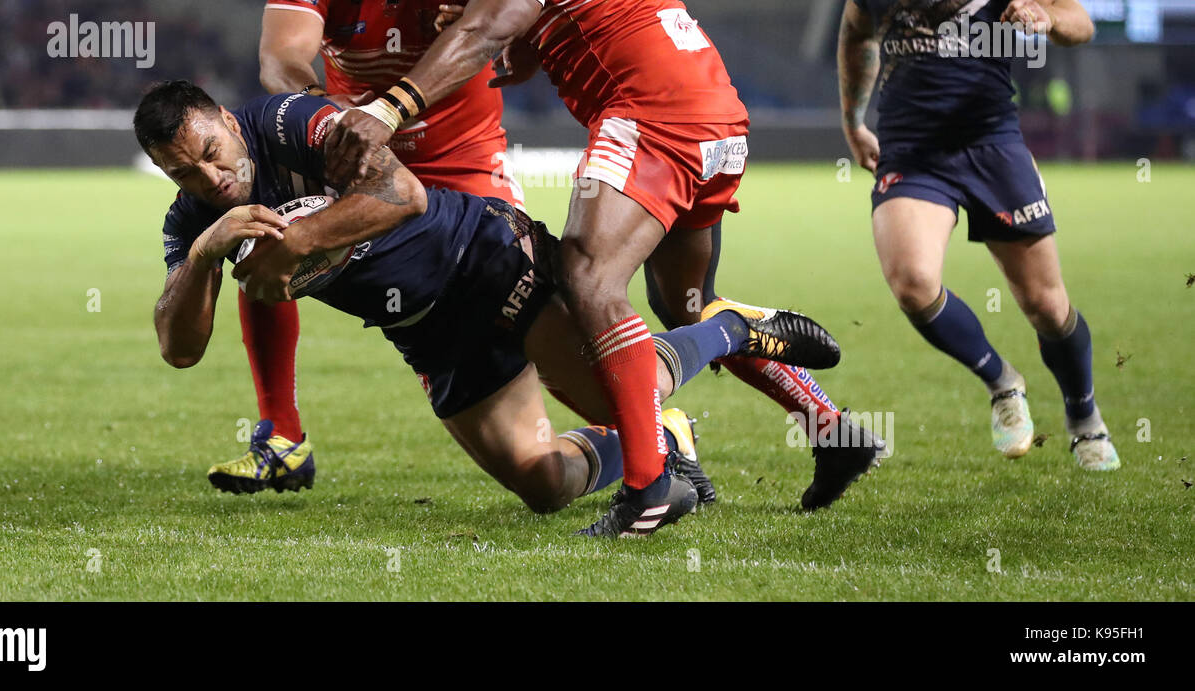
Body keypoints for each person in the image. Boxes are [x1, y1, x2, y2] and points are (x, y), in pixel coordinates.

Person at [319, 0, 882, 537]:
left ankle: (649, 487)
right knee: (683, 305)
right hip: (711, 113)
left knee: (586, 278)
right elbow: (518, 52)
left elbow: (491, 31)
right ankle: (832, 428)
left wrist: (392, 105)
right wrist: (487, 30)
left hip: (653, 115)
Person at [135, 80, 827, 531]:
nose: (212, 177)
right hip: (428, 335)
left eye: (212, 151)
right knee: (544, 484)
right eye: (184, 171)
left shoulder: (289, 120)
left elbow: (404, 194)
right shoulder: (194, 219)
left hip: (483, 258)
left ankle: (731, 327)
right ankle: (667, 438)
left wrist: (296, 241)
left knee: (619, 383)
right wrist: (203, 255)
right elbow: (179, 347)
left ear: (226, 120)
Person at [212, 0, 520, 494]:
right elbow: (282, 58)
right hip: (358, 162)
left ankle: (645, 418)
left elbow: (522, 16)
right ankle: (283, 436)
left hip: (463, 163)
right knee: (269, 233)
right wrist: (321, 113)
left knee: (519, 309)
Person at [837, 0, 1119, 471]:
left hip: (990, 142)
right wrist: (852, 119)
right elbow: (856, 37)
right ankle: (1002, 381)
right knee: (912, 281)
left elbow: (1079, 20)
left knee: (1047, 305)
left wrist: (1041, 15)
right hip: (911, 148)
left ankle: (1084, 413)